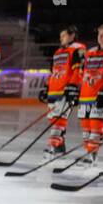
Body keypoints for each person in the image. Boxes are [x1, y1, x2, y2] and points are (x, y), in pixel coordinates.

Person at [40, 27, 84, 156]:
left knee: (59, 119)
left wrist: (73, 86)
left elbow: (78, 70)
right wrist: (46, 87)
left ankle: (53, 145)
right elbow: (53, 72)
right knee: (53, 118)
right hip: (54, 90)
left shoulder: (77, 48)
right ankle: (59, 145)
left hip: (65, 90)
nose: (61, 38)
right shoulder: (58, 52)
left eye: (63, 35)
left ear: (72, 36)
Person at [75, 22, 103, 166]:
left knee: (96, 126)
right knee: (86, 127)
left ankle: (92, 155)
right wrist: (77, 90)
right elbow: (83, 72)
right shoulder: (90, 52)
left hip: (101, 95)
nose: (100, 37)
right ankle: (88, 153)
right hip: (86, 95)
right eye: (98, 34)